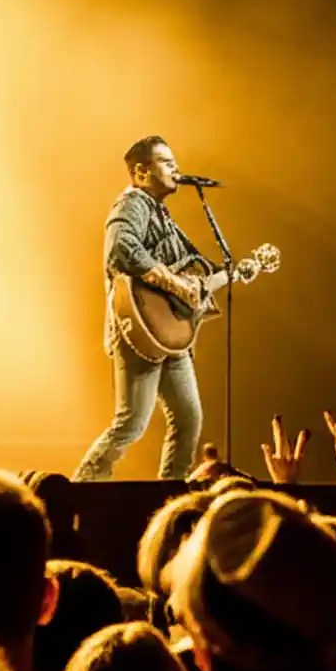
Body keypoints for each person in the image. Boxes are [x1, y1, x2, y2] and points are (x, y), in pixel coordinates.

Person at [74, 135, 221, 481]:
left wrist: (220, 277)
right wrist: (173, 283)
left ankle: (169, 499)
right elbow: (121, 249)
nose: (176, 168)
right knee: (131, 422)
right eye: (166, 162)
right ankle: (80, 488)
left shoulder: (162, 215)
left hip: (170, 332)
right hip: (140, 329)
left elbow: (187, 272)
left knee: (188, 419)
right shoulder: (132, 203)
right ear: (141, 171)